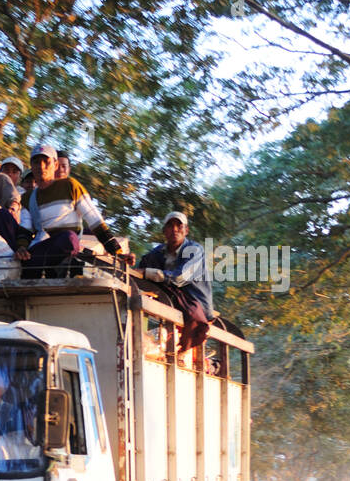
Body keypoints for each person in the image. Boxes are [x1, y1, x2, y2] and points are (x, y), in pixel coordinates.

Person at [15, 143, 127, 279]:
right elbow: (25, 229)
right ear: (31, 167)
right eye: (37, 162)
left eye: (46, 162)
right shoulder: (28, 198)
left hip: (66, 245)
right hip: (44, 247)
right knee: (28, 257)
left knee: (69, 238)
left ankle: (55, 269)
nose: (41, 167)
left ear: (55, 165)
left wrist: (116, 251)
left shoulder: (70, 186)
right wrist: (21, 248)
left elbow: (94, 219)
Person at [138, 211, 214, 352]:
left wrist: (147, 272)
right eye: (170, 226)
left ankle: (180, 349)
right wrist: (130, 263)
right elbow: (139, 270)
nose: (174, 229)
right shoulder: (157, 253)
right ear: (164, 231)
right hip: (172, 303)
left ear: (186, 230)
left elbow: (180, 278)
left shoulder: (194, 250)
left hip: (195, 305)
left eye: (179, 226)